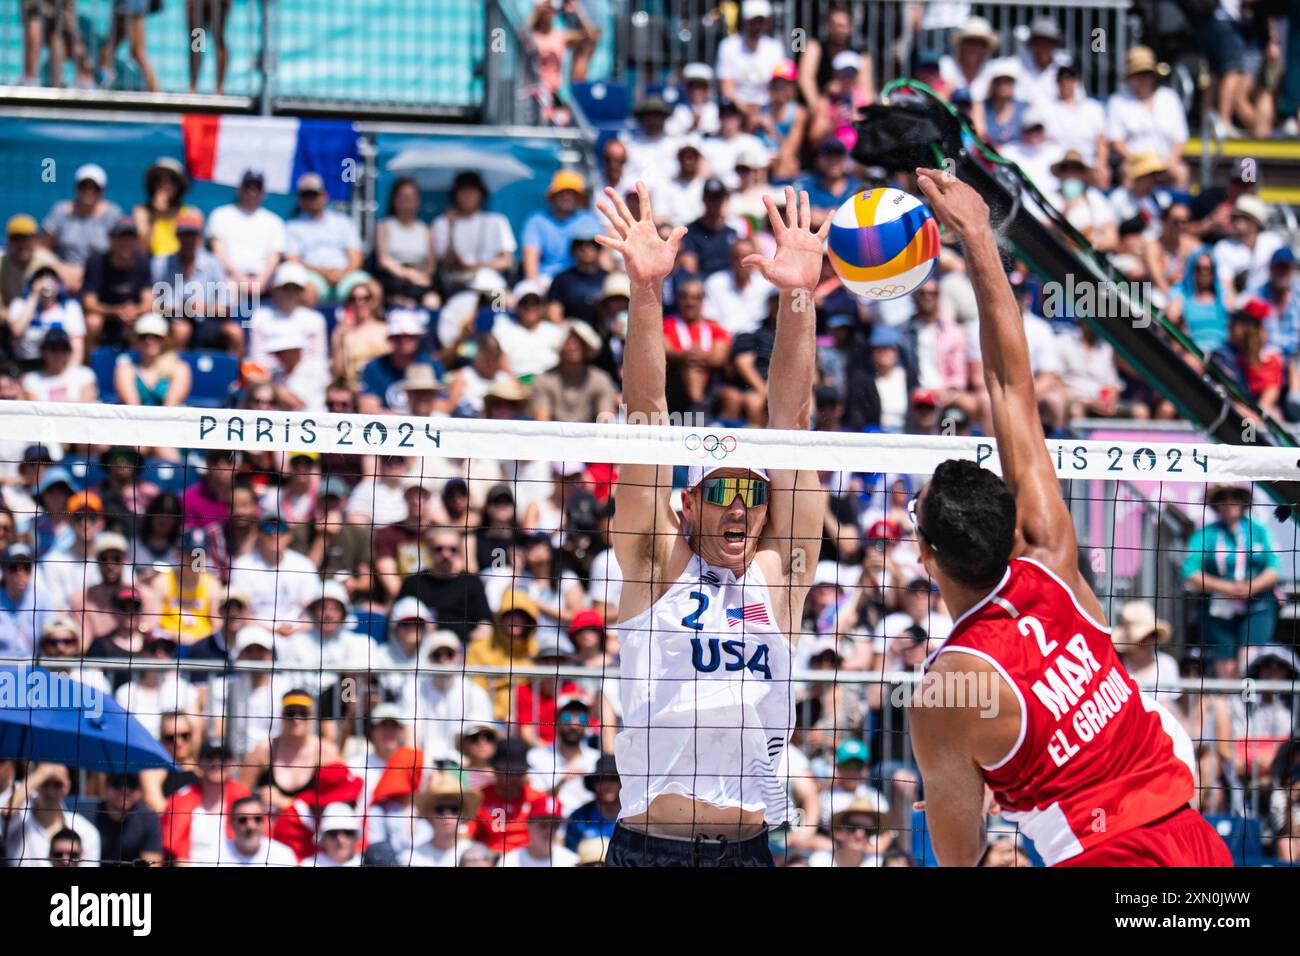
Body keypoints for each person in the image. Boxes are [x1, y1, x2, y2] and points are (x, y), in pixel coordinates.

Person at [905, 167, 1230, 867]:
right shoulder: (1049, 558)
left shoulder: (946, 689)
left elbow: (959, 862)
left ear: (924, 555)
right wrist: (980, 238)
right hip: (1192, 840)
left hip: (1105, 854)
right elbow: (1012, 388)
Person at [596, 182, 827, 867]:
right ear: (686, 505)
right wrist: (645, 292)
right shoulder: (656, 562)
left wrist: (798, 298)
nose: (740, 505)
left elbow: (791, 421)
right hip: (651, 849)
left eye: (752, 494)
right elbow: (645, 416)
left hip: (750, 849)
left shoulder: (777, 573)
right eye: (721, 491)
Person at [1182, 484, 1280, 678]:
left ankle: (1247, 705)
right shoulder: (1205, 534)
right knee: (1225, 669)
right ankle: (1226, 705)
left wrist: (1253, 586)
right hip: (1218, 607)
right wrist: (1224, 587)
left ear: (1244, 501)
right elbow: (1189, 572)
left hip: (1258, 604)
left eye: (1235, 497)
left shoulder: (1258, 530)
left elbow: (1275, 568)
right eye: (1223, 497)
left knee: (1248, 663)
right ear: (1215, 504)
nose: (1229, 502)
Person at [284, 172, 366, 306]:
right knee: (305, 292)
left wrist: (342, 273)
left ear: (324, 195)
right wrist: (325, 273)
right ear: (299, 199)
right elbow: (293, 260)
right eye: (305, 195)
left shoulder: (344, 222)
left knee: (370, 291)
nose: (310, 200)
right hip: (311, 276)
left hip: (345, 275)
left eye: (314, 194)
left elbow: (356, 257)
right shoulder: (292, 227)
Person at [430, 170, 517, 294]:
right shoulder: (442, 223)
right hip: (457, 284)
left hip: (494, 283)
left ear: (481, 194)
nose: (468, 195)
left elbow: (507, 261)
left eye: (472, 190)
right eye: (463, 191)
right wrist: (451, 228)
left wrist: (474, 267)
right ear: (455, 194)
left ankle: (500, 312)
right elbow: (447, 263)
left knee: (500, 302)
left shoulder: (497, 221)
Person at [41, 164, 121, 292]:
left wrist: (88, 274)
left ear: (102, 191)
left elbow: (119, 252)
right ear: (76, 188)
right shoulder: (60, 211)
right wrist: (59, 268)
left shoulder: (113, 214)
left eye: (95, 188)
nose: (89, 191)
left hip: (100, 280)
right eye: (84, 186)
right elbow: (44, 247)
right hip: (62, 279)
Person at [206, 170, 285, 300]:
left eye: (256, 188)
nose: (252, 192)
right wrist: (240, 279)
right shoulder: (220, 215)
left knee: (289, 281)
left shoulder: (274, 222)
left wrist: (261, 280)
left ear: (263, 193)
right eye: (248, 187)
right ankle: (230, 320)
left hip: (264, 279)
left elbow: (274, 256)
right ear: (240, 189)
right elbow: (218, 253)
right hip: (229, 276)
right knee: (227, 288)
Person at [80, 216, 153, 349]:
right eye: (121, 238)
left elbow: (149, 301)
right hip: (105, 316)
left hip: (132, 317)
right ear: (111, 239)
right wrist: (116, 311)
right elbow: (89, 303)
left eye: (130, 238)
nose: (125, 243)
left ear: (136, 241)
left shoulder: (143, 262)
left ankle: (140, 364)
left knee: (149, 324)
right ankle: (89, 365)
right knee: (92, 322)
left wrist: (134, 311)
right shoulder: (96, 262)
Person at [520, 171, 603, 283]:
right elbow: (530, 259)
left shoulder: (589, 220)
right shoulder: (536, 220)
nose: (567, 197)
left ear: (579, 197)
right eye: (562, 192)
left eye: (572, 193)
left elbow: (603, 256)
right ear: (553, 195)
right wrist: (534, 286)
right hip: (546, 279)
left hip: (581, 278)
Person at [374, 176, 438, 309]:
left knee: (432, 301)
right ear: (394, 200)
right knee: (402, 303)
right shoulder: (384, 226)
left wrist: (421, 276)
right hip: (393, 278)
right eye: (403, 197)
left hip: (419, 279)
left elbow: (431, 266)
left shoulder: (427, 230)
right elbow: (383, 259)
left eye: (411, 198)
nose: (407, 202)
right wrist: (408, 274)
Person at [113, 314, 192, 408]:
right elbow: (133, 409)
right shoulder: (125, 369)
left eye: (156, 337)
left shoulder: (179, 368)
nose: (149, 341)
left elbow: (170, 409)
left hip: (168, 421)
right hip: (135, 421)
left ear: (164, 341)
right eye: (143, 337)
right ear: (136, 341)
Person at [410, 773, 482, 867]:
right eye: (440, 809)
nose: (447, 815)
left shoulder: (476, 856)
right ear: (429, 814)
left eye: (454, 809)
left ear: (463, 814)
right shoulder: (412, 857)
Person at [93, 772, 163, 866]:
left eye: (132, 784)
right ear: (106, 788)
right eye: (118, 783)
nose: (125, 790)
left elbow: (153, 863)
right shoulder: (90, 815)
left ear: (139, 791)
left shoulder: (148, 818)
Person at [499, 795, 579, 867]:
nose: (549, 830)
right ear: (528, 824)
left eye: (555, 824)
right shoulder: (508, 862)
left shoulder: (572, 861)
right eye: (543, 824)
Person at [221, 795, 297, 867]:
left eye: (257, 819)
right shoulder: (214, 854)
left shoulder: (283, 855)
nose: (251, 826)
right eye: (243, 820)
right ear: (232, 823)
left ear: (264, 822)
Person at [300, 803, 363, 867]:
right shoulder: (308, 864)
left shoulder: (367, 862)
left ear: (355, 836)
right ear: (323, 837)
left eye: (348, 832)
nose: (341, 840)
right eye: (333, 833)